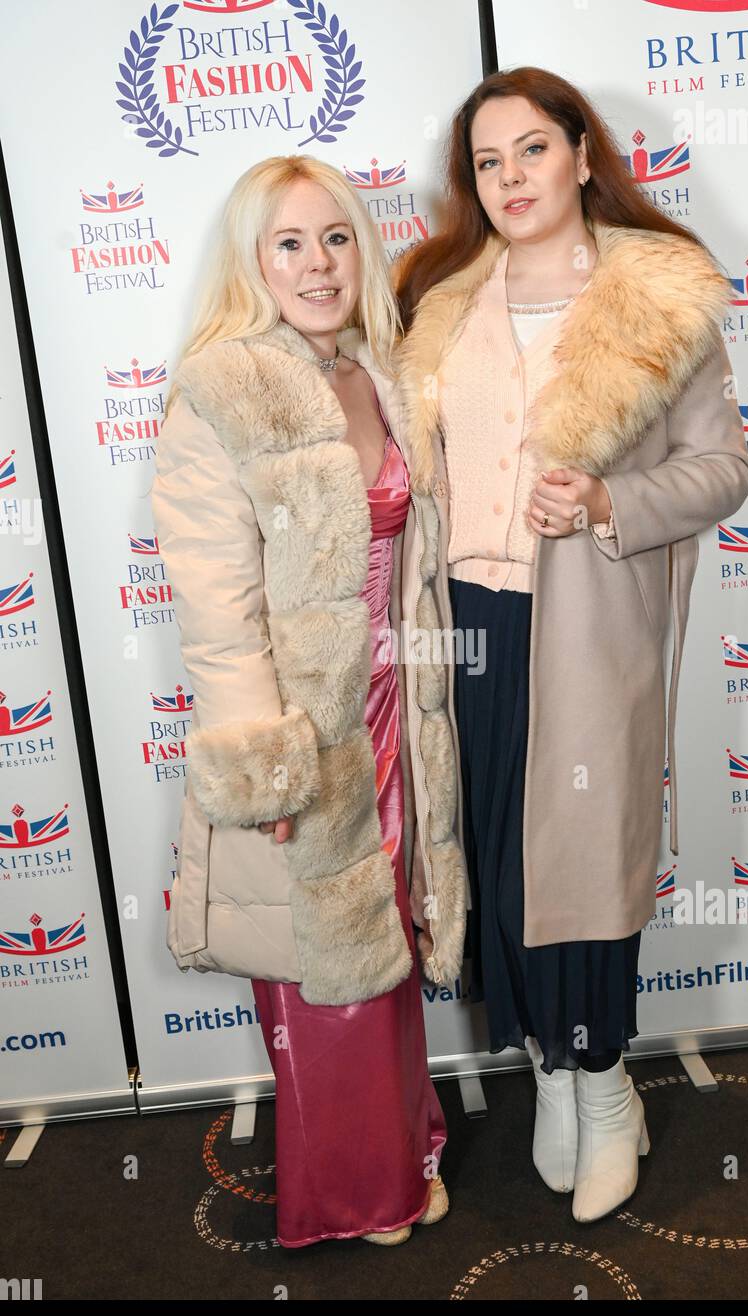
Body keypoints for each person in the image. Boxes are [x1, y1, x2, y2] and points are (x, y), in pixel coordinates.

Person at [394, 67, 748, 1223]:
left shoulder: (659, 300)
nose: (511, 179)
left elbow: (725, 469)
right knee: (498, 866)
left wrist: (608, 501)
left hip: (589, 625)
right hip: (470, 630)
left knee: (584, 877)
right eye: (489, 163)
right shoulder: (442, 300)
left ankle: (606, 1087)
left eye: (532, 151)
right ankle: (550, 1069)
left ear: (584, 155)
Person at [150, 155, 467, 1247]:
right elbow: (214, 602)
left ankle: (406, 1136)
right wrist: (265, 760)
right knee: (322, 972)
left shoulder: (382, 371)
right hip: (306, 727)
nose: (318, 264)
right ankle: (352, 1189)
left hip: (399, 711)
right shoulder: (221, 388)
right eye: (289, 243)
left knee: (391, 950)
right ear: (252, 261)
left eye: (336, 237)